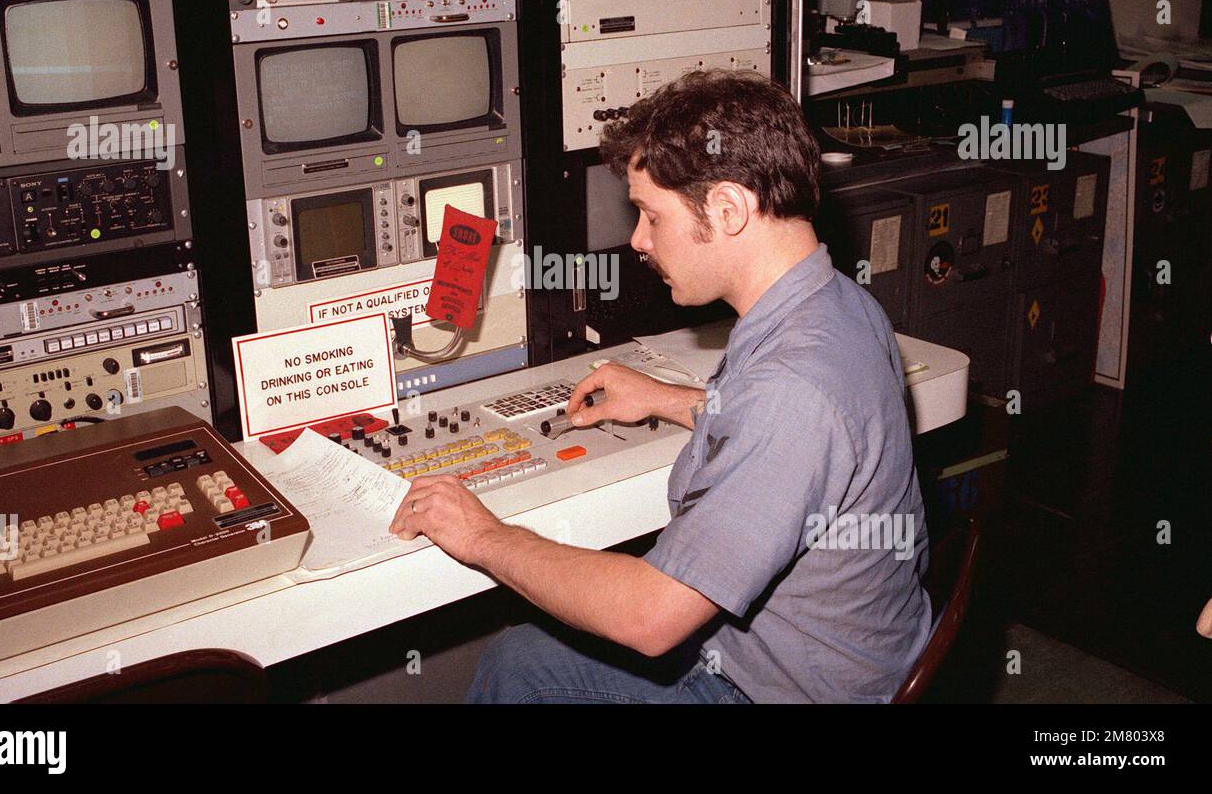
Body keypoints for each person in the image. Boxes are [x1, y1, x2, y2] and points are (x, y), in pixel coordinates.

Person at [389, 69, 932, 702]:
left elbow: (649, 620)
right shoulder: (834, 302)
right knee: (522, 659)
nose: (638, 240)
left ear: (728, 209)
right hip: (846, 654)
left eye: (650, 215)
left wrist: (484, 535)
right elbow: (798, 440)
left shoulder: (796, 388)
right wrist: (668, 399)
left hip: (779, 689)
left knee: (522, 671)